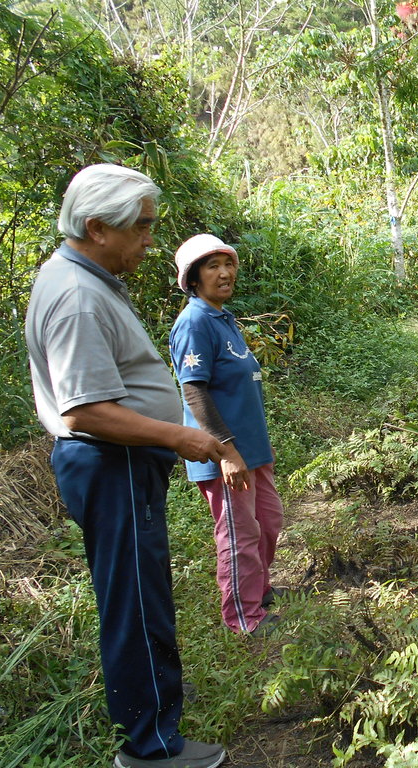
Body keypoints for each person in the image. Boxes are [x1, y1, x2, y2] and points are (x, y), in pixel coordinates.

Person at [25, 165, 228, 768]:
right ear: (96, 227)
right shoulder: (77, 297)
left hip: (122, 464)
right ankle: (151, 747)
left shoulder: (88, 280)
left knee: (141, 593)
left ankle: (152, 719)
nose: (149, 240)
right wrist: (179, 436)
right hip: (112, 464)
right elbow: (85, 410)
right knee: (136, 602)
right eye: (140, 227)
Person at [169, 234, 285, 637]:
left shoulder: (224, 318)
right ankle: (243, 617)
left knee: (269, 521)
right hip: (226, 454)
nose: (224, 273)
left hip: (252, 449)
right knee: (239, 534)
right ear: (193, 278)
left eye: (228, 264)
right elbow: (194, 391)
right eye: (212, 266)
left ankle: (259, 590)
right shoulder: (195, 322)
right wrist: (227, 452)